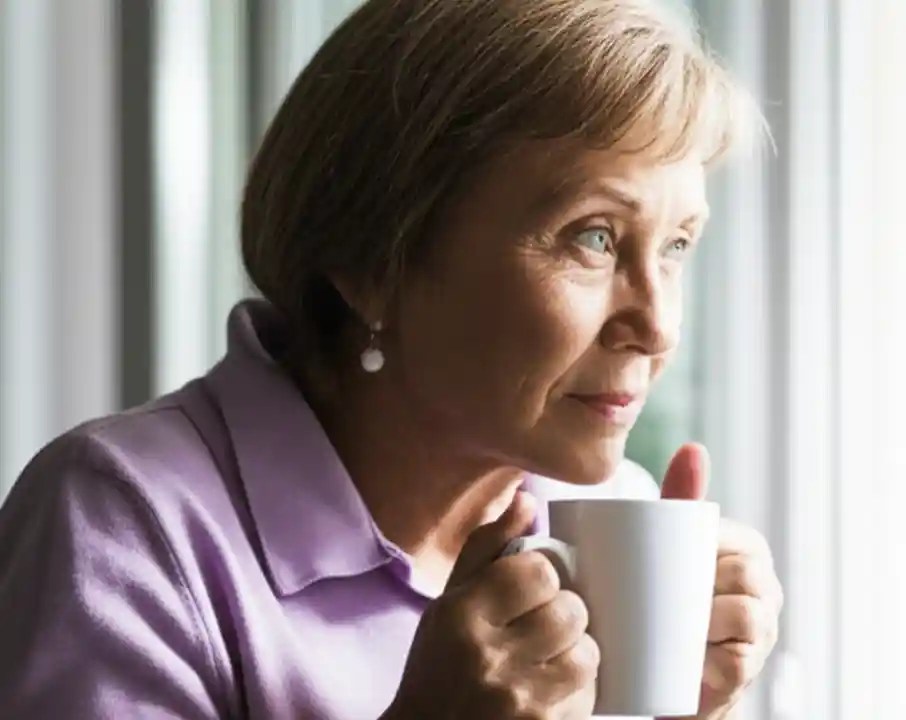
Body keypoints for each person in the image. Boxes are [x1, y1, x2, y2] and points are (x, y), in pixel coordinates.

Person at [0, 0, 783, 717]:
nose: (657, 325)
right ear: (373, 260)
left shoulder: (607, 515)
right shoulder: (121, 524)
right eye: (595, 237)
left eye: (678, 245)